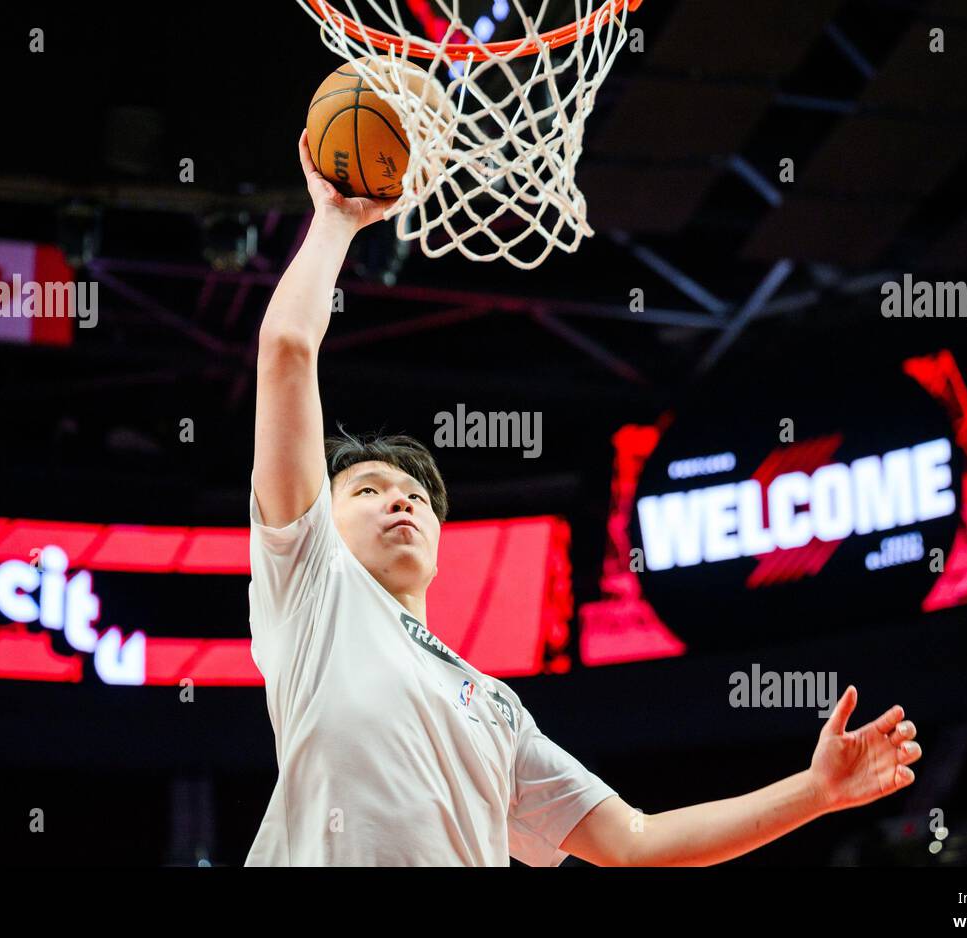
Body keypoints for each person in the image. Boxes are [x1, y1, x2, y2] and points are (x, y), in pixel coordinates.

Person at [243, 130, 923, 866]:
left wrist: (814, 791)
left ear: (440, 548)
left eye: (415, 495)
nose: (400, 501)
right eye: (368, 490)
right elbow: (286, 349)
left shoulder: (495, 708)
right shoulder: (314, 590)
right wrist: (338, 219)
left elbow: (634, 841)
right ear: (320, 527)